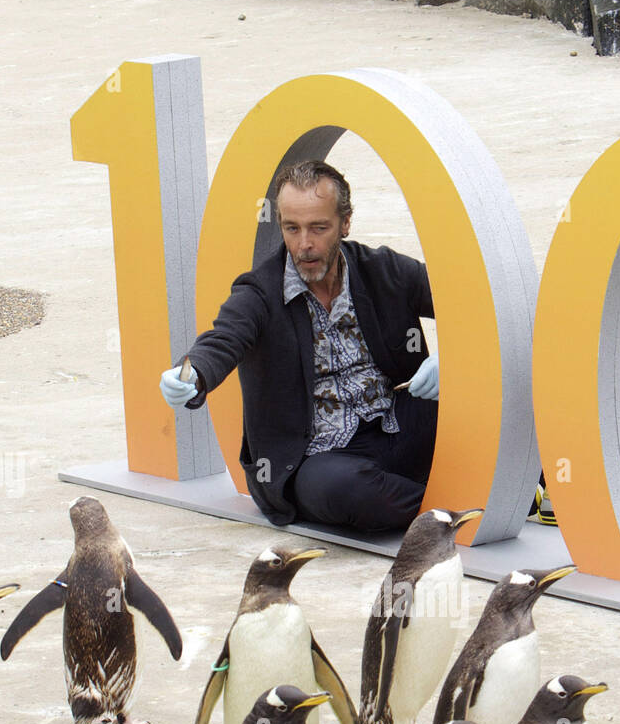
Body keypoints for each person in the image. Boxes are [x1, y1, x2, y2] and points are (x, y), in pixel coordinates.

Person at [160, 160, 439, 533]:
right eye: (292, 228)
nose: (304, 244)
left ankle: (491, 491)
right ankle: (458, 509)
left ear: (346, 223)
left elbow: (473, 304)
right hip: (315, 461)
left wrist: (454, 361)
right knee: (345, 490)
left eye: (318, 228)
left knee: (486, 400)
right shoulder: (259, 292)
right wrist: (194, 374)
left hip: (395, 424)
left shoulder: (383, 270)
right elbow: (224, 338)